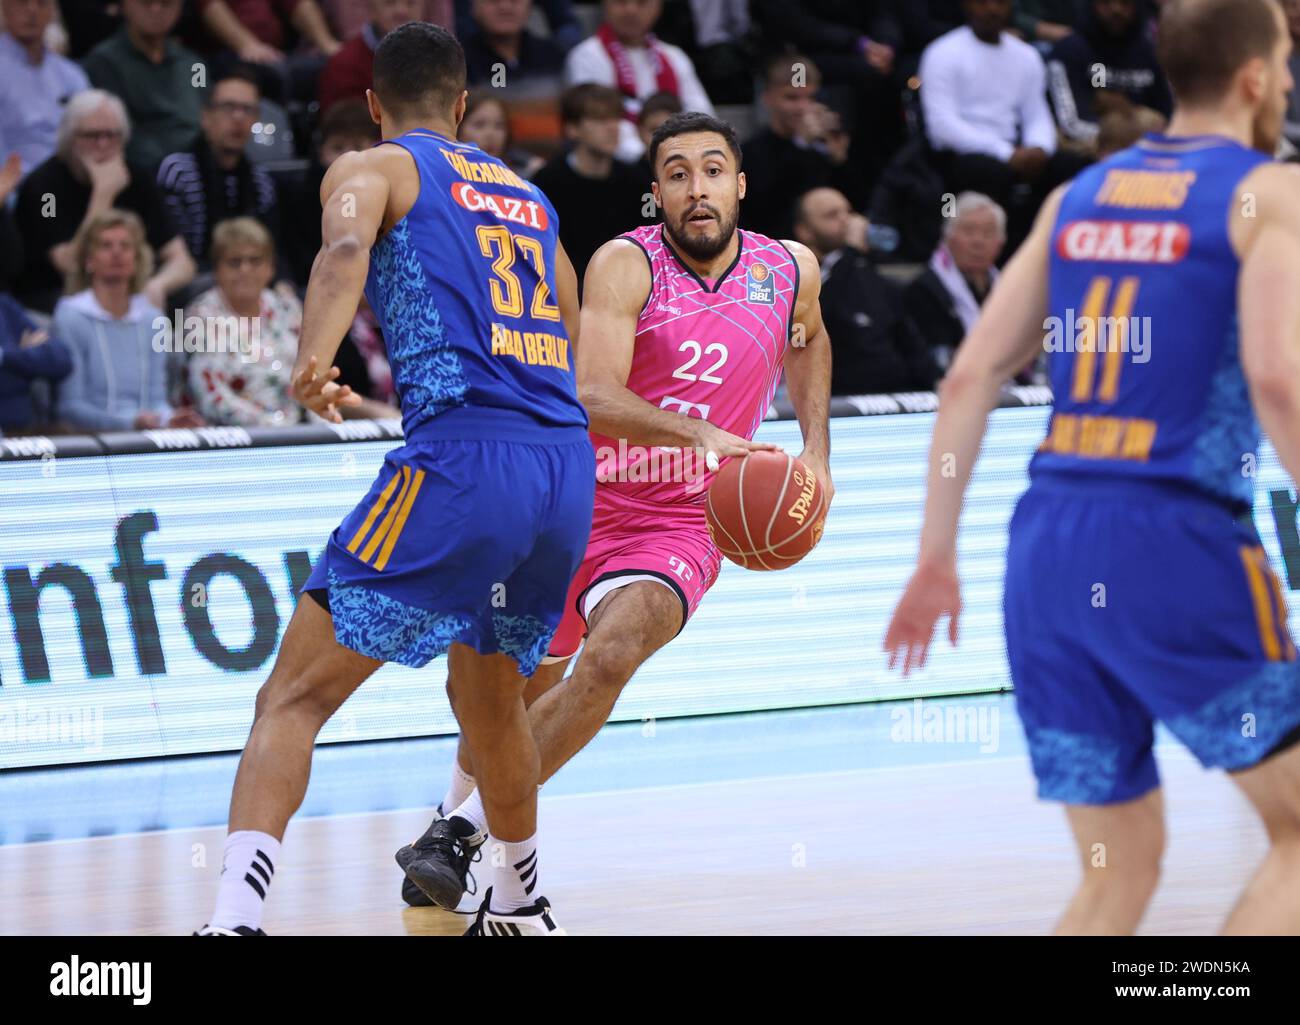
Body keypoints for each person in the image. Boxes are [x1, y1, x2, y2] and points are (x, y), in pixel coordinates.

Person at [885, 0, 1300, 935]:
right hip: (1175, 536)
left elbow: (969, 377)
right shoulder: (1271, 193)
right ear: (1253, 78)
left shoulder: (1081, 195)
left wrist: (935, 558)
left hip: (1047, 551)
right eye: (1283, 65)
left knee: (1122, 867)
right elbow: (1277, 375)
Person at [196, 21, 595, 938]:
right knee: (490, 703)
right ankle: (523, 898)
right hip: (563, 470)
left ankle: (233, 921)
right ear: (463, 106)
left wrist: (311, 359)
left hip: (465, 459)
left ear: (375, 106)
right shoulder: (532, 202)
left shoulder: (371, 169)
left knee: (291, 695)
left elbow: (343, 256)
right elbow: (573, 344)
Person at [395, 111, 833, 921]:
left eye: (710, 170)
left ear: (740, 183)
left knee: (611, 655)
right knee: (510, 694)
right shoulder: (626, 263)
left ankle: (457, 833)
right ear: (656, 193)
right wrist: (694, 429)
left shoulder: (790, 268)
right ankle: (457, 843)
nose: (695, 188)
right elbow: (592, 394)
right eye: (676, 173)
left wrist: (816, 450)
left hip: (681, 522)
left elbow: (806, 341)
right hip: (576, 498)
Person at [919, 0, 1087, 246]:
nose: (992, 10)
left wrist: (1039, 148)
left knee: (1072, 167)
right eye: (983, 3)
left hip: (1015, 149)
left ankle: (1054, 246)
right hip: (961, 153)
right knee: (990, 173)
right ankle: (999, 248)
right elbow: (942, 126)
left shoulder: (1026, 55)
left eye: (1000, 3)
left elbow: (1036, 114)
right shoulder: (942, 52)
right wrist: (1005, 153)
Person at [14, 91, 195, 315]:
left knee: (191, 294)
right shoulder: (44, 188)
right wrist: (103, 193)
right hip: (53, 296)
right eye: (92, 136)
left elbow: (183, 261)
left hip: (126, 289)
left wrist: (157, 285)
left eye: (112, 135)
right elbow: (71, 266)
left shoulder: (137, 177)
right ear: (70, 139)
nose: (103, 144)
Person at [53, 209, 204, 431]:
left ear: (136, 258)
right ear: (89, 260)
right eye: (106, 245)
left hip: (145, 438)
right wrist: (131, 423)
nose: (117, 253)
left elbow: (157, 400)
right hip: (89, 443)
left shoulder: (153, 319)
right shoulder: (71, 316)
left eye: (125, 246)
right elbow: (70, 407)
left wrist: (168, 419)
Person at [794, 187, 939, 396]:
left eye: (848, 212)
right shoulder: (796, 274)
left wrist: (934, 383)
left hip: (897, 399)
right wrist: (851, 252)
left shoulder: (868, 273)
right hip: (841, 404)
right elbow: (820, 311)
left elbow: (908, 340)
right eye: (832, 215)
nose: (846, 221)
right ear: (804, 231)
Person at [156, 67, 281, 267]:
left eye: (247, 109)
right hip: (191, 280)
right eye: (228, 107)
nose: (238, 118)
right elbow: (170, 250)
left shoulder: (261, 181)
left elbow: (269, 249)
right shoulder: (178, 172)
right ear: (206, 117)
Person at [565, 0, 715, 161]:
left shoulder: (675, 57)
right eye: (621, 3)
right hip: (619, 166)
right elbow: (596, 121)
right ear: (605, 5)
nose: (631, 10)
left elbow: (701, 114)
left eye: (641, 2)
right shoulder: (587, 57)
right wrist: (650, 155)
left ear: (658, 7)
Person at [186, 218, 302, 426]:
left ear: (271, 268)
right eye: (234, 262)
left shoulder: (287, 307)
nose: (245, 270)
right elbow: (211, 398)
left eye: (255, 261)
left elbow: (309, 376)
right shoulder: (200, 317)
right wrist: (276, 426)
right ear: (216, 270)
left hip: (297, 431)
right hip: (231, 440)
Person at [530, 84, 647, 284]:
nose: (612, 127)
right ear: (572, 129)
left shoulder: (637, 180)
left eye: (615, 118)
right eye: (600, 120)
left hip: (629, 286)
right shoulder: (548, 182)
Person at [741, 53, 859, 240]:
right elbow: (767, 208)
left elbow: (854, 202)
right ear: (768, 98)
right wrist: (800, 145)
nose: (803, 107)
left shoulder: (825, 144)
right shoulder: (751, 151)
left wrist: (839, 159)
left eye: (811, 97)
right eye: (792, 98)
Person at [81, 0, 205, 171]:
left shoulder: (194, 66)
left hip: (199, 173)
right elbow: (117, 133)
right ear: (124, 5)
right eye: (146, 2)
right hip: (143, 174)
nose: (156, 9)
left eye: (166, 3)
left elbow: (208, 117)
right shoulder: (104, 62)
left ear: (180, 8)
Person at [1047, 0, 1173, 151]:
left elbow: (1167, 115)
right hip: (1091, 144)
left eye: (1125, 3)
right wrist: (1117, 137)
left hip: (1145, 144)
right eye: (1106, 3)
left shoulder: (1151, 53)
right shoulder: (1069, 51)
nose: (1116, 10)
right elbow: (1070, 123)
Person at [903, 192, 1007, 372]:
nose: (978, 241)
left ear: (1000, 242)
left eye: (988, 232)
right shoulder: (923, 289)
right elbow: (934, 358)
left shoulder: (1009, 289)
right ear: (948, 237)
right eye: (969, 231)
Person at [0, 0, 91, 178]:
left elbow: (92, 131)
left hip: (72, 183)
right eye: (22, 2)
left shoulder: (71, 75)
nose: (32, 10)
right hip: (16, 188)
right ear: (4, 7)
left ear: (53, 11)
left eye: (41, 3)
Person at [317, 0, 423, 112]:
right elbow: (346, 126)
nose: (402, 11)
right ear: (372, 10)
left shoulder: (437, 59)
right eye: (390, 2)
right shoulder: (343, 66)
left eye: (411, 3)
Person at [0, 292, 72, 433]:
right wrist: (24, 358)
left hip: (21, 432)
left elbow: (61, 360)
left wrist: (7, 355)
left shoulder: (4, 306)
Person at [461, 0, 564, 88]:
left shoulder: (553, 55)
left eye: (515, 0)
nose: (505, 7)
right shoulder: (458, 60)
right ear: (473, 6)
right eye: (493, 0)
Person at [458, 89, 544, 178]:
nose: (491, 134)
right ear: (458, 128)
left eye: (499, 125)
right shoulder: (448, 172)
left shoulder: (525, 175)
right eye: (479, 125)